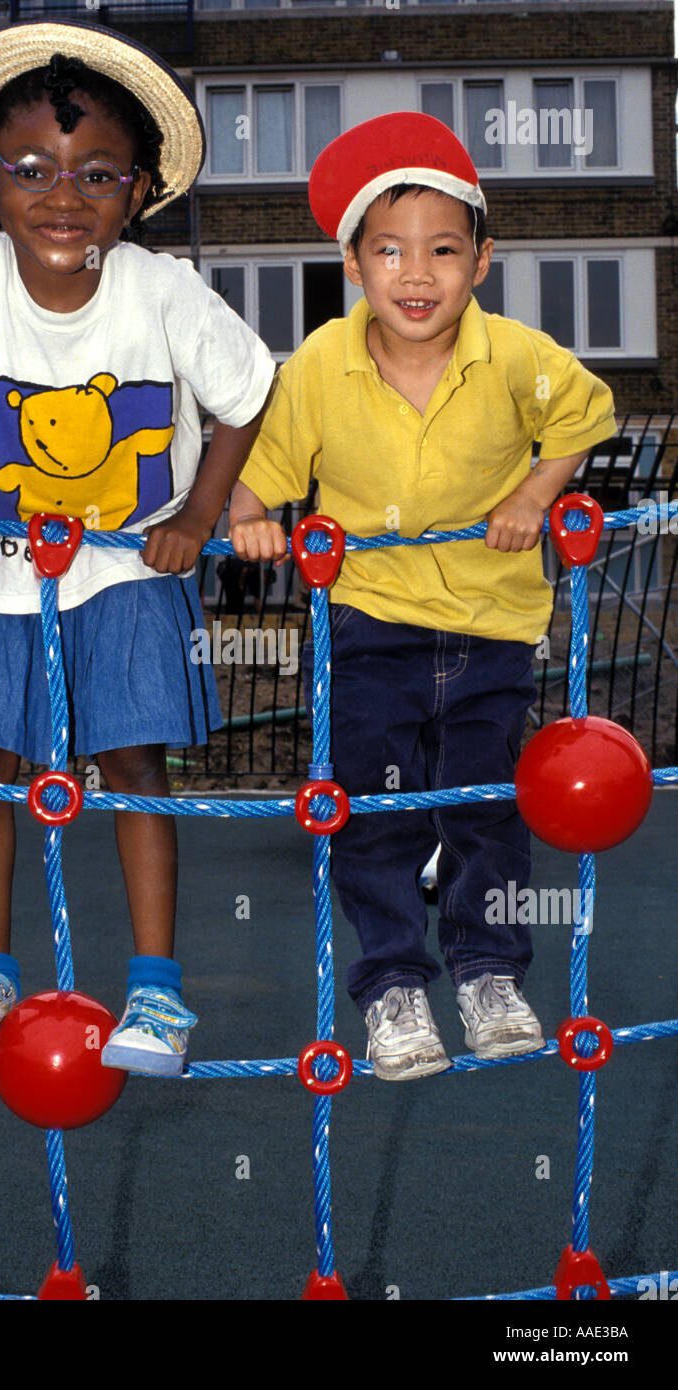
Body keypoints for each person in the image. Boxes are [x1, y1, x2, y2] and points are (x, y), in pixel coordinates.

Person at [0, 19, 275, 1075]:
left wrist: (198, 514)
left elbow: (247, 392)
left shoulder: (159, 291)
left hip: (125, 573)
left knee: (132, 767)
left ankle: (157, 995)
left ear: (138, 191)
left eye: (95, 174)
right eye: (30, 168)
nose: (62, 196)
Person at [230, 113, 616, 1080]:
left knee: (486, 807)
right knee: (374, 807)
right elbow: (266, 467)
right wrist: (249, 516)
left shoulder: (518, 356)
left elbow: (589, 412)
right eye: (389, 251)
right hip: (371, 620)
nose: (416, 273)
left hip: (492, 625)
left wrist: (537, 493)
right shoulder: (321, 362)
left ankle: (489, 973)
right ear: (352, 265)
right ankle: (395, 987)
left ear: (482, 260)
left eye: (443, 250)